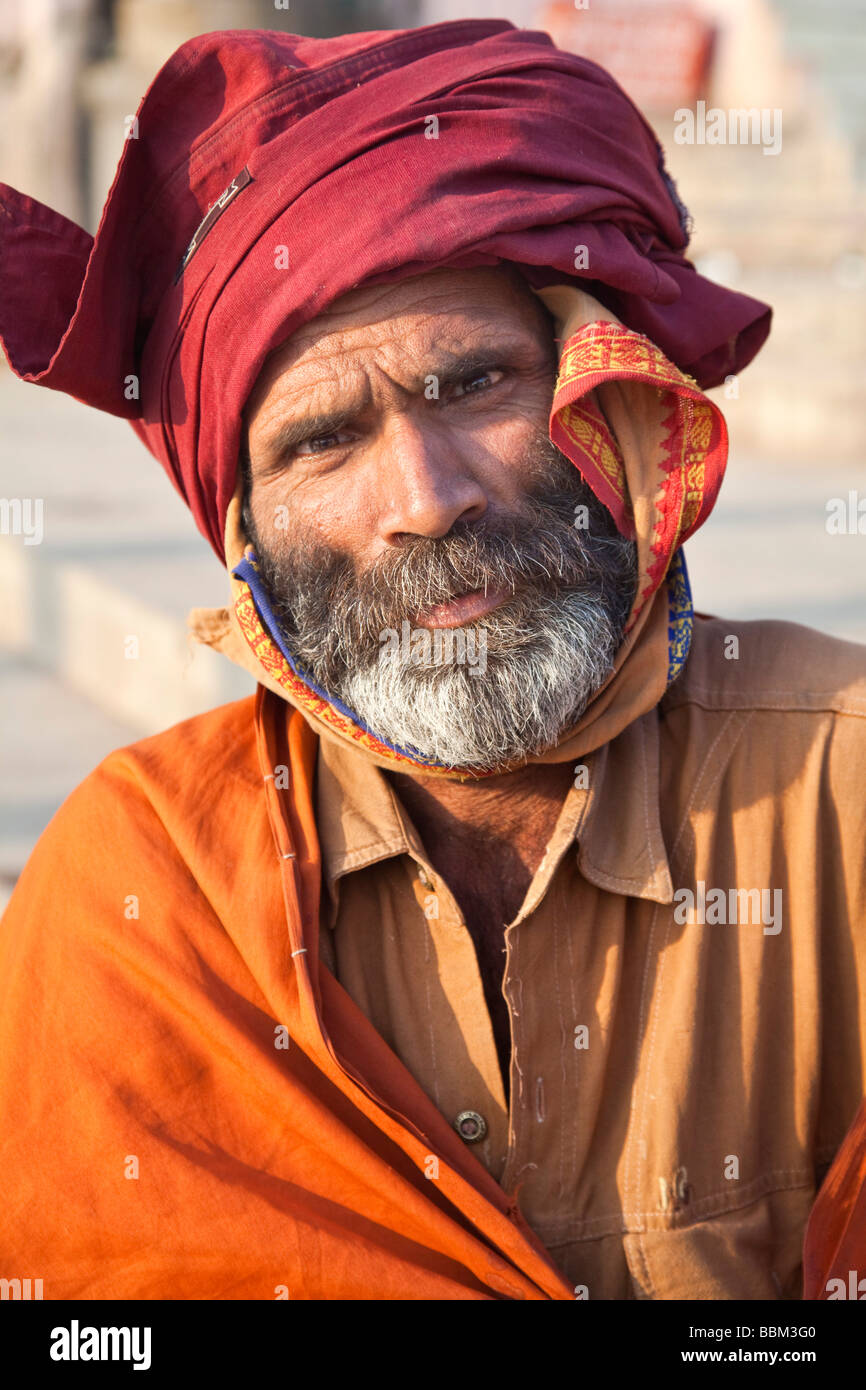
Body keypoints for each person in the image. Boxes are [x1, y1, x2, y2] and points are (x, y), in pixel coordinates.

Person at [0, 19, 863, 1302]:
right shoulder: (137, 885)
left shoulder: (840, 789)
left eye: (471, 385)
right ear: (242, 528)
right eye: (322, 442)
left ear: (604, 397)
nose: (425, 497)